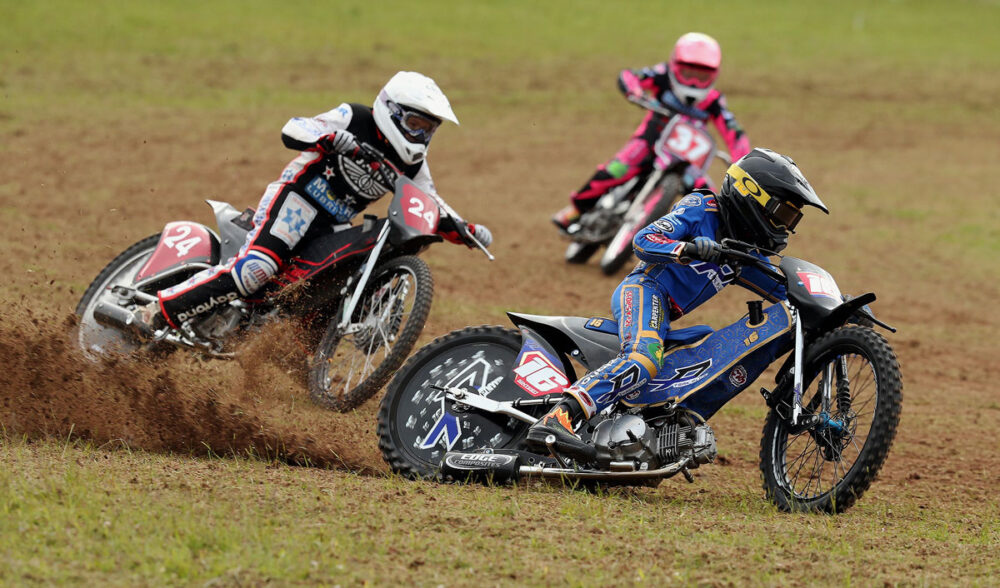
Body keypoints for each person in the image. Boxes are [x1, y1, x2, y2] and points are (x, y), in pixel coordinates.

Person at [527, 148, 828, 460]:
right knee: (643, 358)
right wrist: (687, 248)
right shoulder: (702, 207)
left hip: (666, 313)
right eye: (782, 215)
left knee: (708, 356)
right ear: (751, 195)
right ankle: (558, 417)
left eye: (791, 220)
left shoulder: (745, 254)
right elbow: (644, 240)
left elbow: (788, 294)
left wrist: (838, 308)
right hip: (644, 288)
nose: (785, 227)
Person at [135, 71, 492, 334]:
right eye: (415, 124)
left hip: (334, 225)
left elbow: (428, 204)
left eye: (429, 130)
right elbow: (295, 129)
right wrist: (332, 138)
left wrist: (466, 230)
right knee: (255, 269)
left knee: (320, 291)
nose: (421, 136)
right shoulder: (356, 117)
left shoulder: (414, 165)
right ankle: (157, 311)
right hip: (297, 201)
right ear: (391, 110)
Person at [552, 32, 751, 233]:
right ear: (675, 65)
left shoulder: (714, 101)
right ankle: (576, 210)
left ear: (714, 75)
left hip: (687, 156)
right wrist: (636, 93)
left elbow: (734, 132)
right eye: (688, 73)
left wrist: (742, 162)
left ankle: (706, 239)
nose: (693, 82)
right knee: (616, 169)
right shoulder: (662, 75)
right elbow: (630, 76)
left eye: (702, 77)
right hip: (650, 141)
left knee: (708, 196)